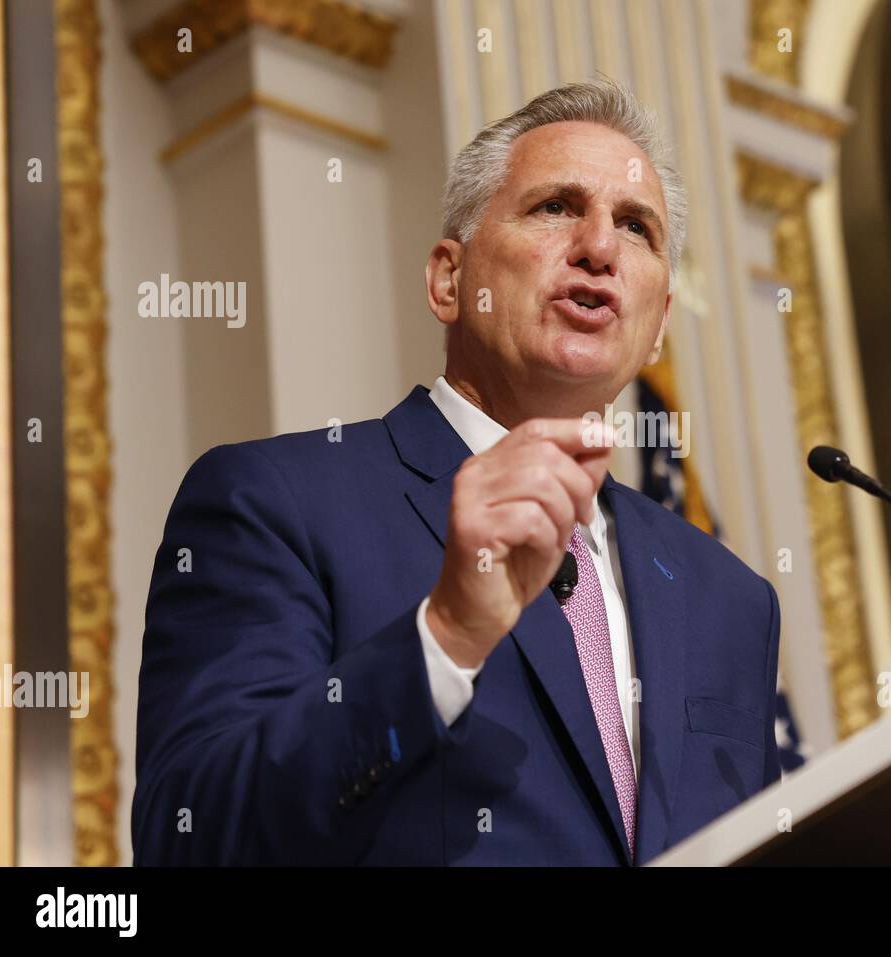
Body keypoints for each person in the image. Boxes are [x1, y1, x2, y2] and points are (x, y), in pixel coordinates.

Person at [132, 79, 782, 866]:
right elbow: (189, 835)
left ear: (658, 328)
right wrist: (444, 637)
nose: (599, 248)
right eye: (555, 207)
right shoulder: (274, 503)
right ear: (448, 279)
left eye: (636, 227)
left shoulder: (731, 598)